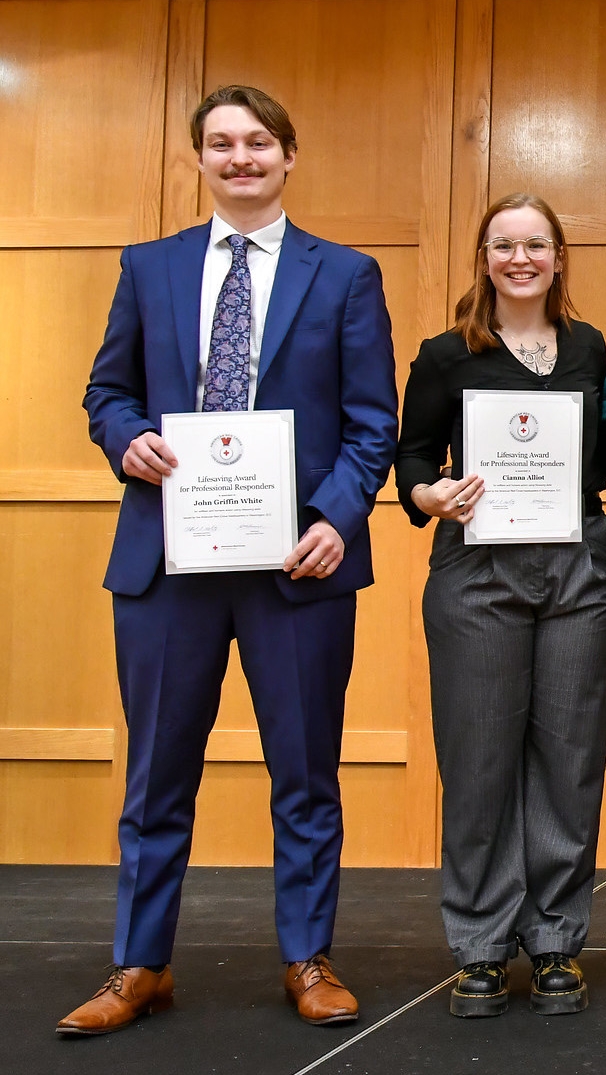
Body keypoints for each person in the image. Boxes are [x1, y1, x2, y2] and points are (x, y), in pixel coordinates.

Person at [69, 85, 398, 1035]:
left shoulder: (344, 274)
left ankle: (307, 957)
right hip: (169, 557)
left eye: (258, 142)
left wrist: (338, 516)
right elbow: (106, 391)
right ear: (199, 160)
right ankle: (139, 964)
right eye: (221, 144)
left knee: (305, 772)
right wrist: (124, 437)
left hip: (296, 564)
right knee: (157, 773)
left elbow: (371, 420)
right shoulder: (149, 265)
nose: (240, 157)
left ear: (289, 156)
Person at [395, 193, 606, 1017]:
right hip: (477, 570)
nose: (519, 258)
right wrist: (431, 491)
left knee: (569, 757)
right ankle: (483, 946)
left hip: (575, 569)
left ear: (558, 257)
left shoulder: (592, 348)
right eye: (502, 245)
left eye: (535, 244)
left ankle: (556, 938)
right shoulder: (445, 353)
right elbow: (411, 454)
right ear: (482, 256)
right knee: (481, 760)